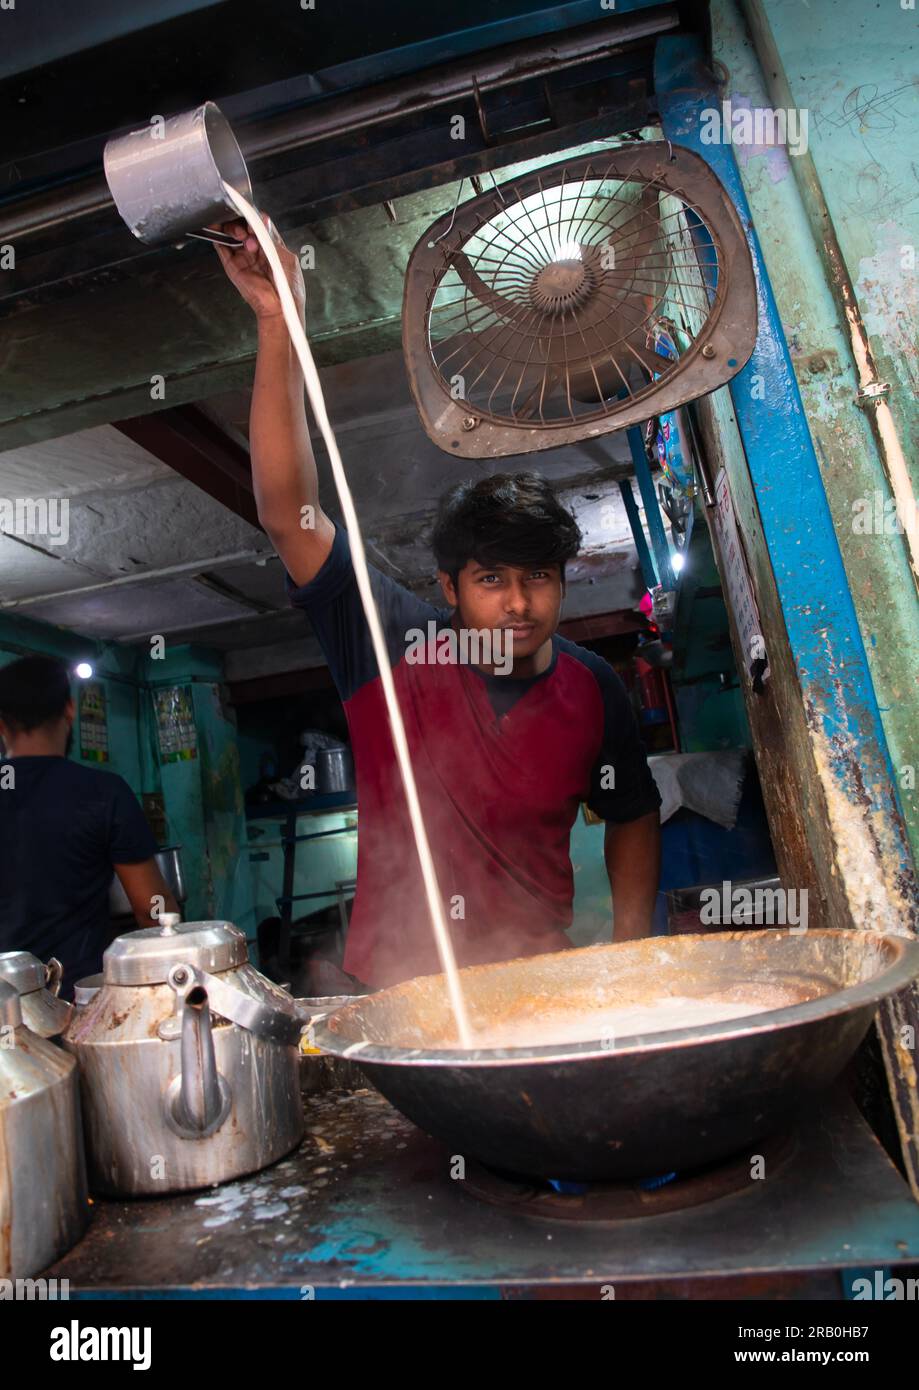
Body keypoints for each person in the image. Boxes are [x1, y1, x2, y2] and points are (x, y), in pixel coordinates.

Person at [214, 217, 661, 989]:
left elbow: (632, 812)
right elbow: (290, 515)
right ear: (449, 588)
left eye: (539, 578)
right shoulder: (389, 639)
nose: (519, 604)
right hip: (395, 989)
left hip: (538, 985)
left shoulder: (593, 689)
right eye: (492, 580)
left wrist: (628, 945)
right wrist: (278, 322)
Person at [0, 655, 179, 997]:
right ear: (70, 709)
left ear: (0, 724)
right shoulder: (103, 792)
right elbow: (151, 909)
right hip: (76, 1002)